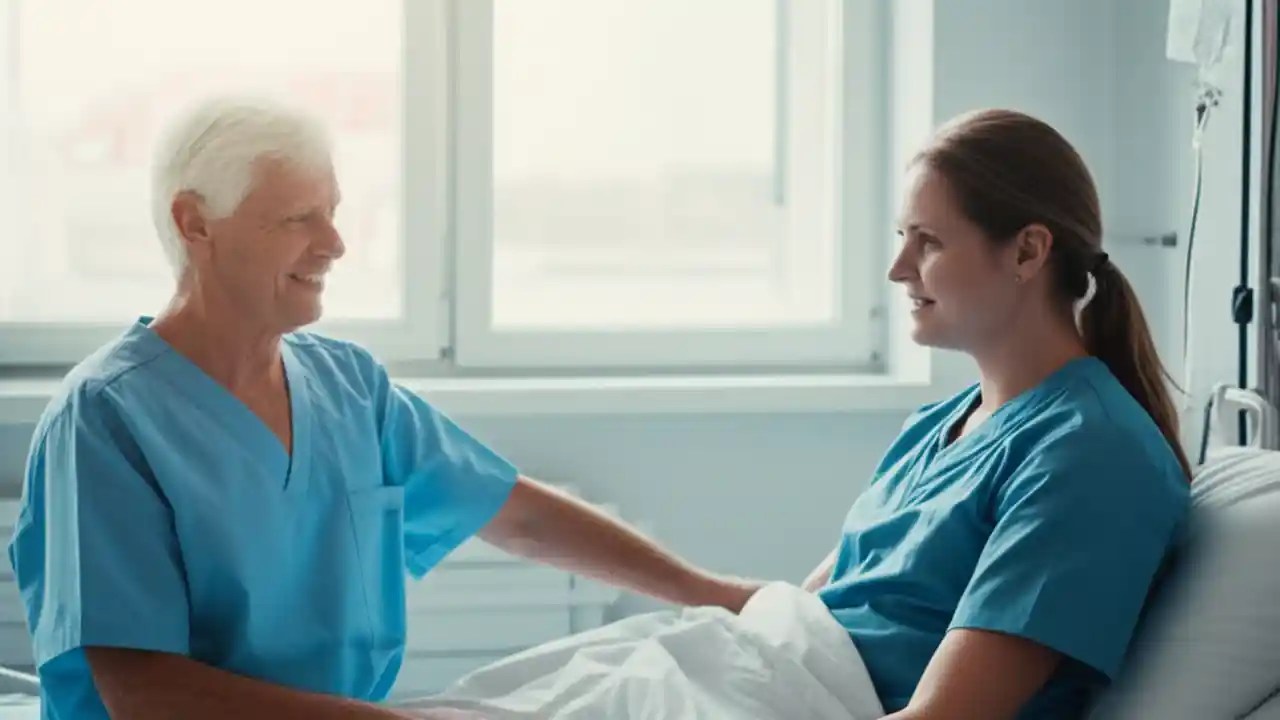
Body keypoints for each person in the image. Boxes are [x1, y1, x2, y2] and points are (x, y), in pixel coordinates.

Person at [6, 96, 760, 720]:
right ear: (195, 224)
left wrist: (717, 595)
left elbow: (518, 514)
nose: (334, 243)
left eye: (332, 212)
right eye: (297, 217)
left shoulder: (348, 387)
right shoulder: (106, 420)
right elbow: (145, 692)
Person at [800, 108, 1192, 719]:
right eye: (901, 238)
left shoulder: (1090, 457)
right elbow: (798, 621)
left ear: (1028, 252)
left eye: (927, 241)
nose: (898, 269)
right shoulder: (934, 429)